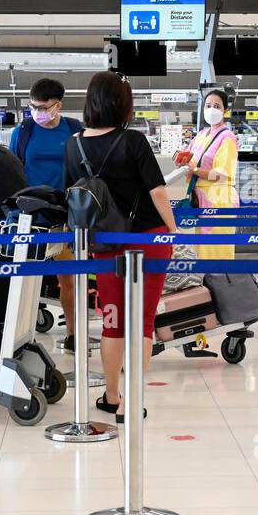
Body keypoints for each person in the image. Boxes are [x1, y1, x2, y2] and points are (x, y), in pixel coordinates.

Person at [63, 72, 180, 421]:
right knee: (142, 322)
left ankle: (111, 395)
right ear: (122, 104)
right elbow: (157, 192)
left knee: (112, 322)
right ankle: (131, 401)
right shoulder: (133, 141)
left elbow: (73, 195)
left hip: (104, 242)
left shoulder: (72, 144)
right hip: (147, 239)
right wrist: (172, 230)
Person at [10, 78, 85, 350]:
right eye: (33, 107)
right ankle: (20, 337)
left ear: (58, 105)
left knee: (70, 278)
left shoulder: (75, 131)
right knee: (27, 279)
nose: (38, 112)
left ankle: (74, 334)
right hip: (30, 216)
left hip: (65, 216)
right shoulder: (23, 131)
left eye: (44, 107)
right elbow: (14, 169)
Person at [177, 88, 239, 260]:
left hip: (219, 201)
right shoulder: (201, 135)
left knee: (217, 255)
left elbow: (221, 175)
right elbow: (188, 157)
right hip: (202, 200)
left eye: (217, 106)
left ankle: (223, 287)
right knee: (203, 254)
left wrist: (194, 169)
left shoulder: (228, 138)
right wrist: (182, 162)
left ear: (225, 111)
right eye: (208, 105)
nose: (212, 109)